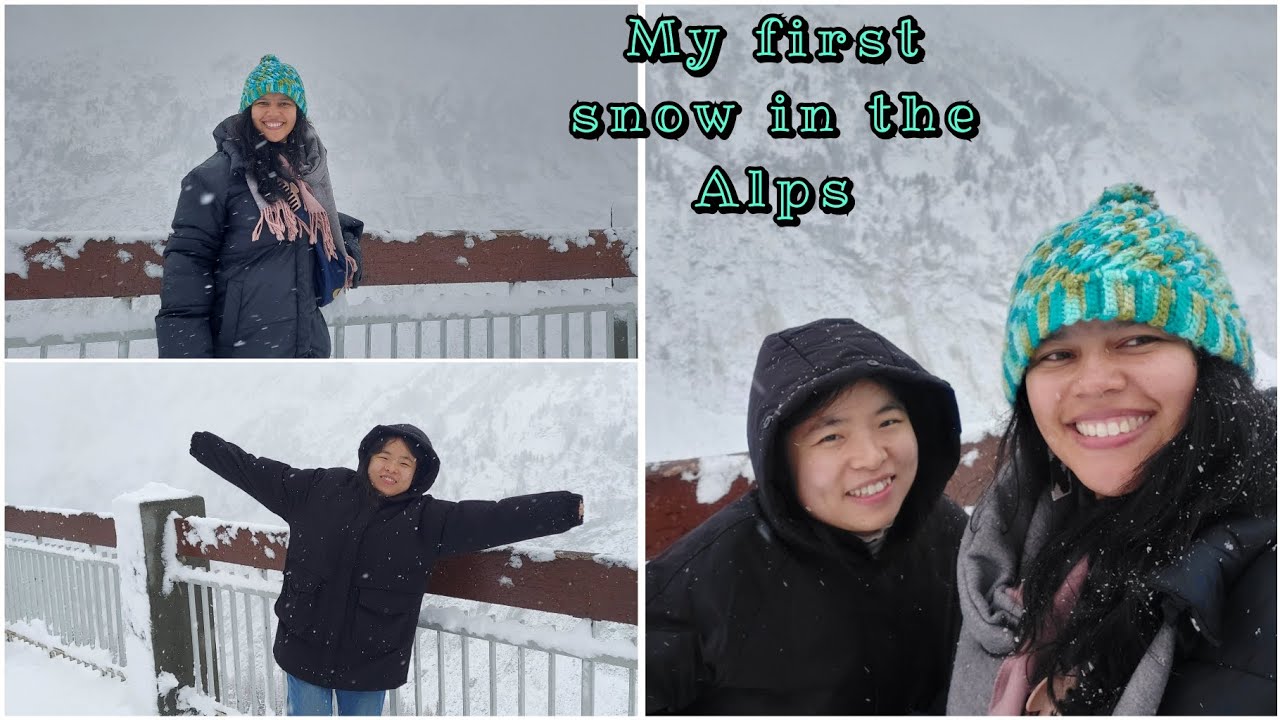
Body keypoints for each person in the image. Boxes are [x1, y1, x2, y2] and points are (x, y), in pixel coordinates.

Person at [948, 184, 1276, 715]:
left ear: (1209, 362)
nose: (1095, 381)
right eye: (1058, 353)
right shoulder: (1013, 544)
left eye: (1138, 339)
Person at [646, 317, 967, 714]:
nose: (871, 456)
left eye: (888, 422)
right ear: (782, 460)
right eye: (831, 436)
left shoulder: (948, 534)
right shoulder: (699, 586)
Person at [189, 424, 584, 716]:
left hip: (370, 660)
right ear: (367, 459)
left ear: (418, 474)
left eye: (404, 463)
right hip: (304, 643)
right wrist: (205, 446)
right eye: (384, 457)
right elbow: (257, 472)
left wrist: (565, 509)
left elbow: (495, 518)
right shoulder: (319, 489)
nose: (391, 468)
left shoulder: (429, 519)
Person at [157, 54, 362, 358]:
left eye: (285, 103)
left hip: (306, 352)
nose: (273, 112)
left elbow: (297, 249)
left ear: (298, 112)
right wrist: (189, 366)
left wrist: (343, 242)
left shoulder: (304, 176)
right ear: (248, 109)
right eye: (263, 102)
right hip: (242, 357)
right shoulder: (212, 179)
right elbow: (186, 274)